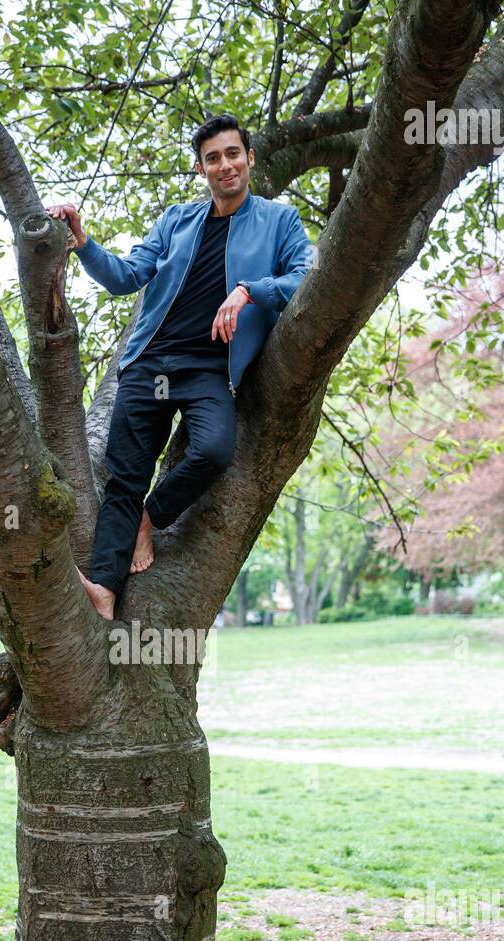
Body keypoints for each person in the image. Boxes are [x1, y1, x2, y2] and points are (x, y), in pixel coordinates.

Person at [46, 113, 313, 619]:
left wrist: (250, 289)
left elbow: (304, 276)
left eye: (233, 154)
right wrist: (83, 243)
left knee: (213, 449)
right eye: (213, 158)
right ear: (201, 169)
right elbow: (126, 277)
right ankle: (104, 588)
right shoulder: (176, 220)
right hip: (151, 364)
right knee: (125, 478)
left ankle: (152, 515)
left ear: (249, 158)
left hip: (210, 369)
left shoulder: (280, 221)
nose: (225, 165)